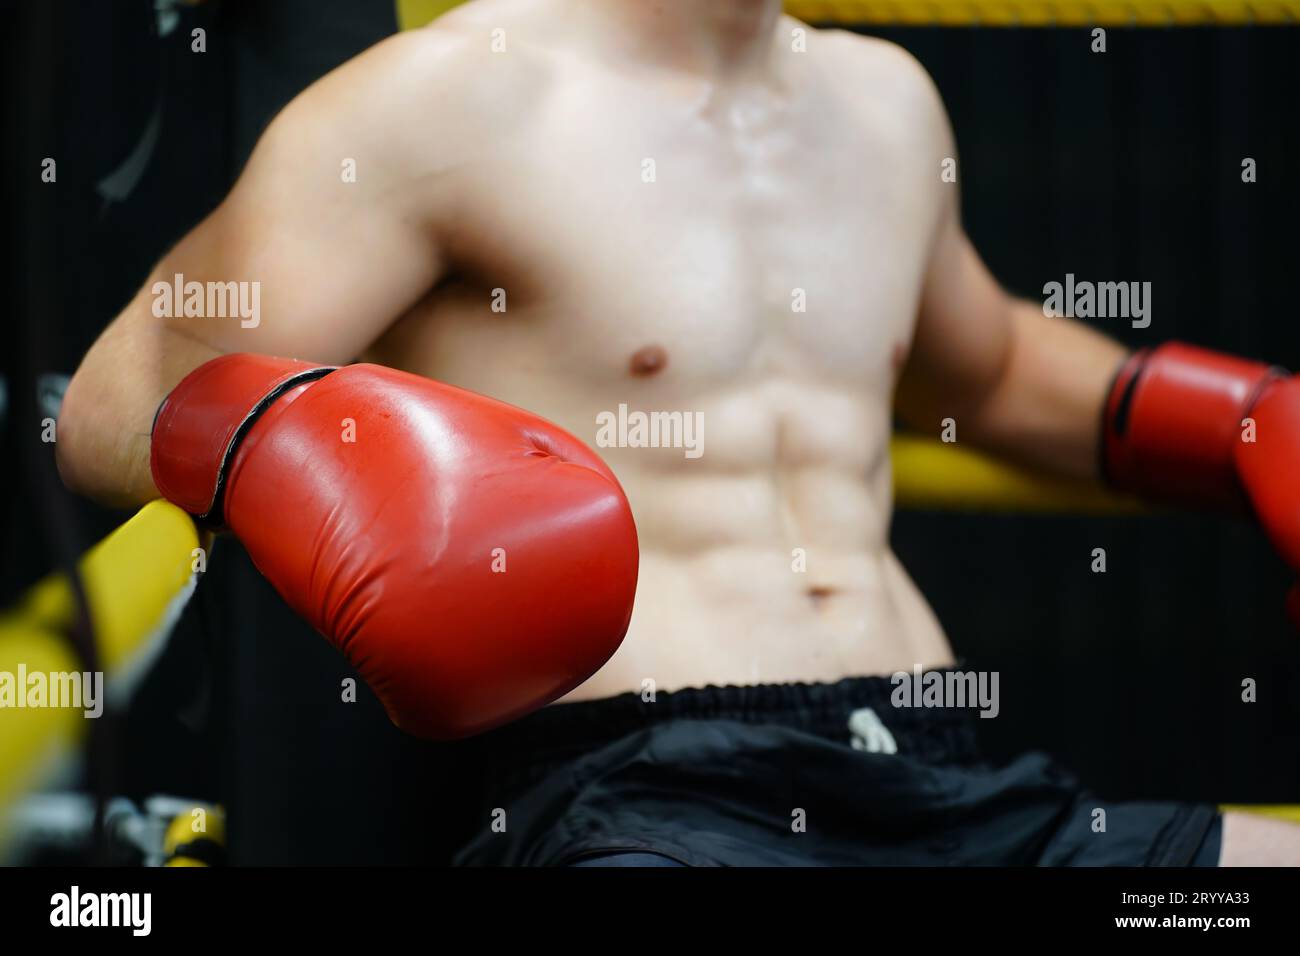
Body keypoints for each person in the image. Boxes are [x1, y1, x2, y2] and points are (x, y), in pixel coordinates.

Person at [56, 0, 1300, 865]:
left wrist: (1250, 421)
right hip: (643, 804)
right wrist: (298, 448)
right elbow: (119, 393)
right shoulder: (453, 97)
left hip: (950, 781)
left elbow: (992, 367)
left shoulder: (883, 100)